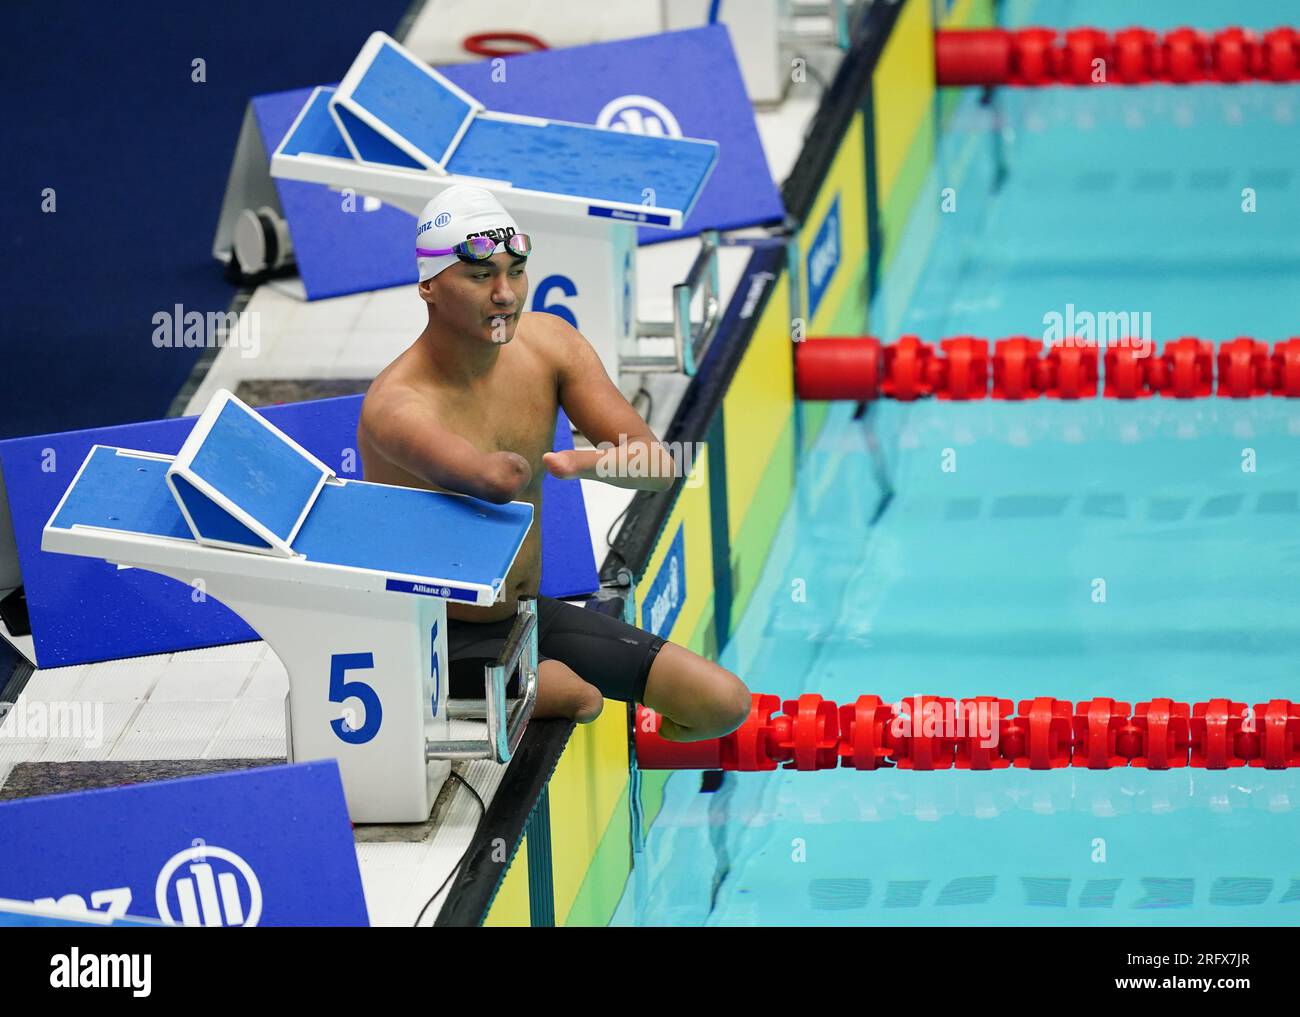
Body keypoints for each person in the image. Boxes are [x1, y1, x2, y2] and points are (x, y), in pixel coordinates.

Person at [357, 184, 750, 741]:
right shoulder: (398, 404)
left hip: (527, 615)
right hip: (436, 639)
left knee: (722, 703)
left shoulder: (549, 345)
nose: (505, 294)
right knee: (578, 696)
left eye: (516, 272)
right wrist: (551, 461)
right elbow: (493, 480)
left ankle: (651, 759)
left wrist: (594, 465)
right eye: (479, 276)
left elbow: (659, 466)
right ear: (428, 286)